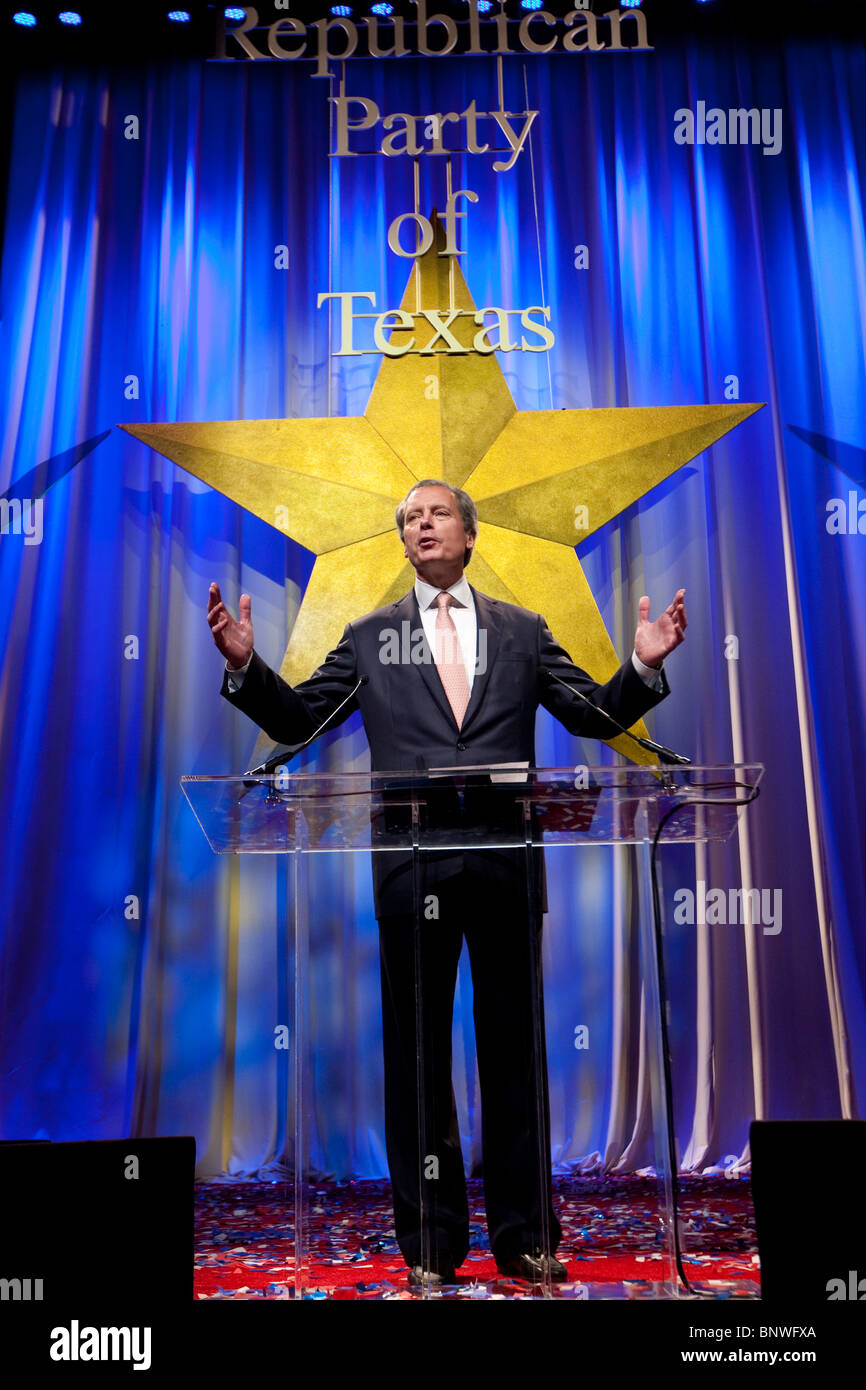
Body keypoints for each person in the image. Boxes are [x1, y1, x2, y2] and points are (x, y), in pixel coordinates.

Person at [207, 479, 687, 1287]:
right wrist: (248, 666)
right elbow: (297, 724)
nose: (420, 525)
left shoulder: (524, 632)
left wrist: (641, 664)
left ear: (469, 534)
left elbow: (596, 719)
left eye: (435, 514)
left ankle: (528, 1238)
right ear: (403, 545)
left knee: (515, 1062)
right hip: (413, 868)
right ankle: (430, 1250)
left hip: (504, 866)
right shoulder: (370, 638)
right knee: (419, 1067)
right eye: (408, 520)